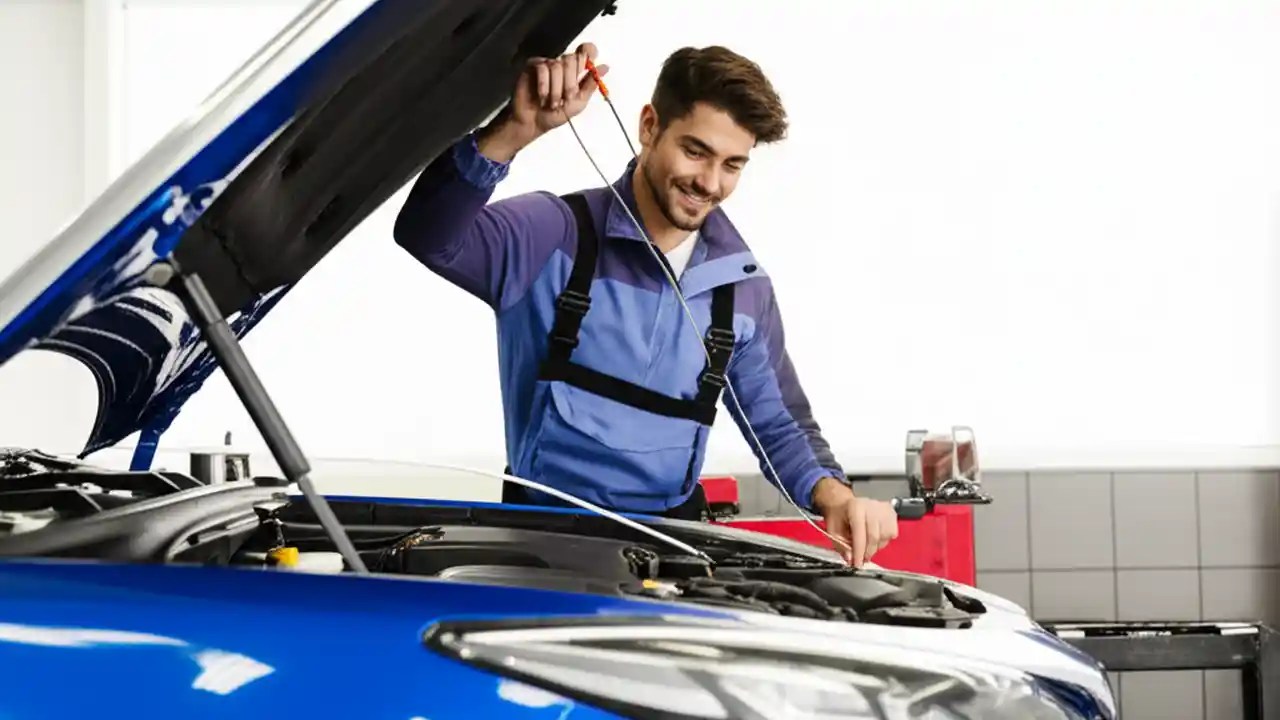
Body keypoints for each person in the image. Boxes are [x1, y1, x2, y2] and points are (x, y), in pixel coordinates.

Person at [394, 42, 899, 567]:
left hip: (673, 551)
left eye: (732, 165)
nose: (710, 183)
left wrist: (838, 497)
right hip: (538, 546)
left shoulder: (741, 289)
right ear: (649, 125)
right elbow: (428, 235)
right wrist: (516, 130)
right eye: (696, 151)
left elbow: (779, 426)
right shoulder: (551, 236)